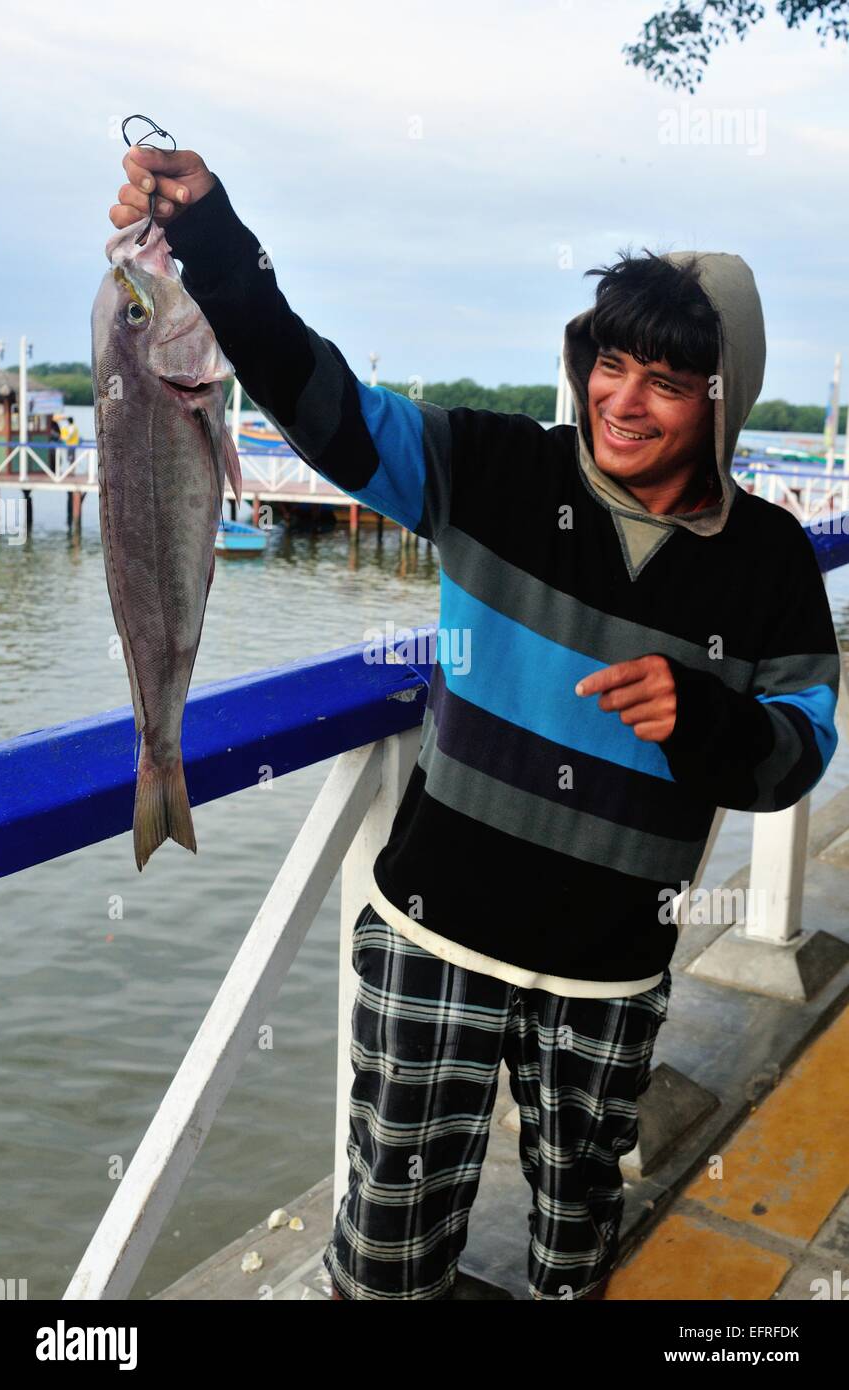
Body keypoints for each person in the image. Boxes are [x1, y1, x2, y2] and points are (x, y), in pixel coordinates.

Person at [111, 149, 841, 1302]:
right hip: (432, 936)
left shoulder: (767, 561)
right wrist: (211, 237)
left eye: (665, 379)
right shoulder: (488, 468)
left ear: (723, 395)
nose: (623, 399)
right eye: (609, 364)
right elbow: (322, 402)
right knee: (388, 1253)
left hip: (609, 971)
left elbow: (802, 742)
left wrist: (704, 722)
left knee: (575, 1243)